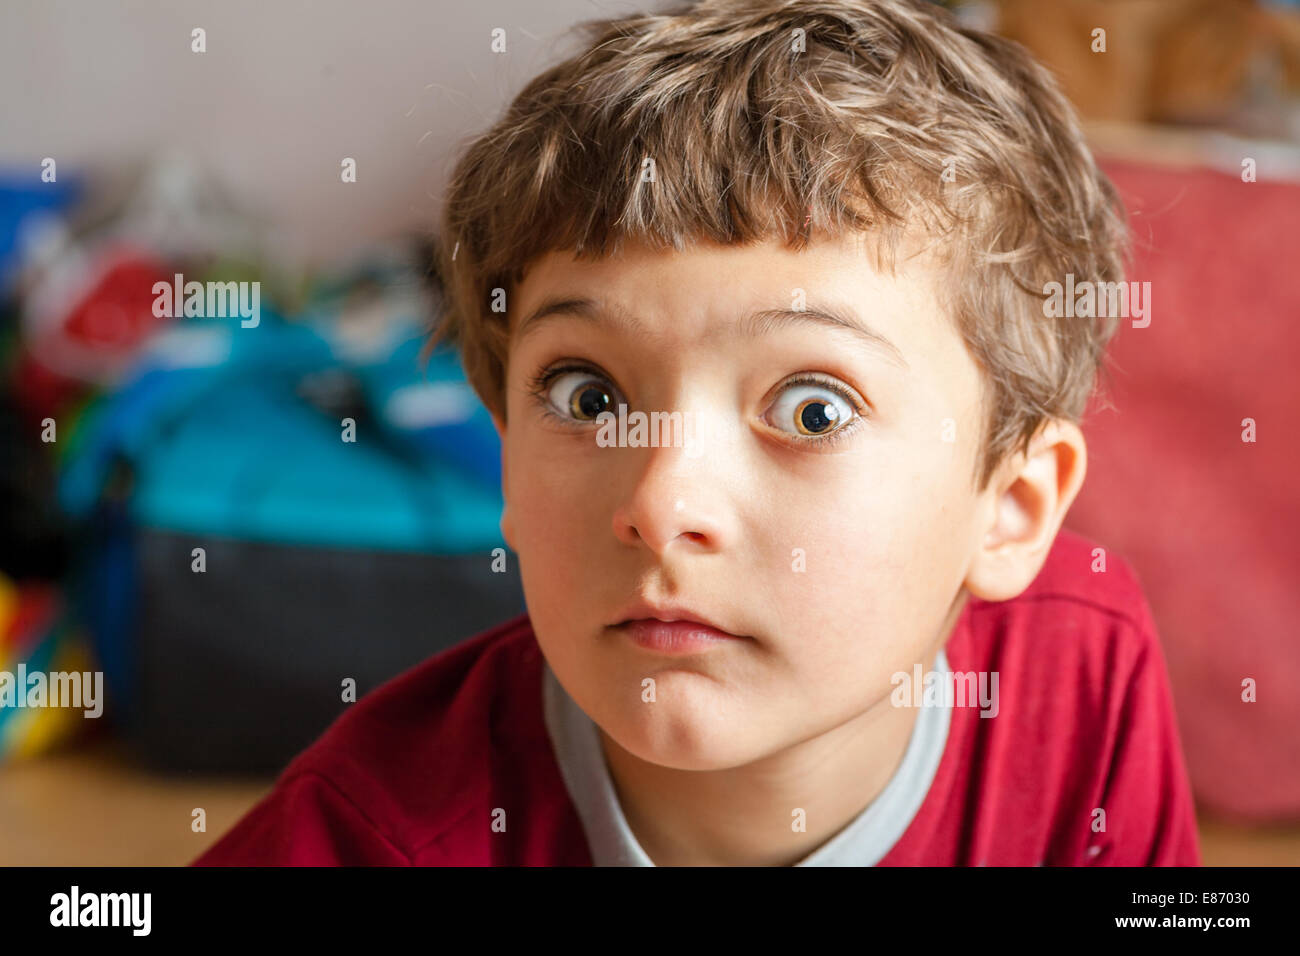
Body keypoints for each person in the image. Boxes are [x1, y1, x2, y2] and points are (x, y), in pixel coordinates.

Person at [193, 0, 1200, 866]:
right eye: (588, 396)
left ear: (1012, 509)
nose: (660, 502)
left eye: (814, 409)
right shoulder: (368, 837)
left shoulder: (1084, 666)